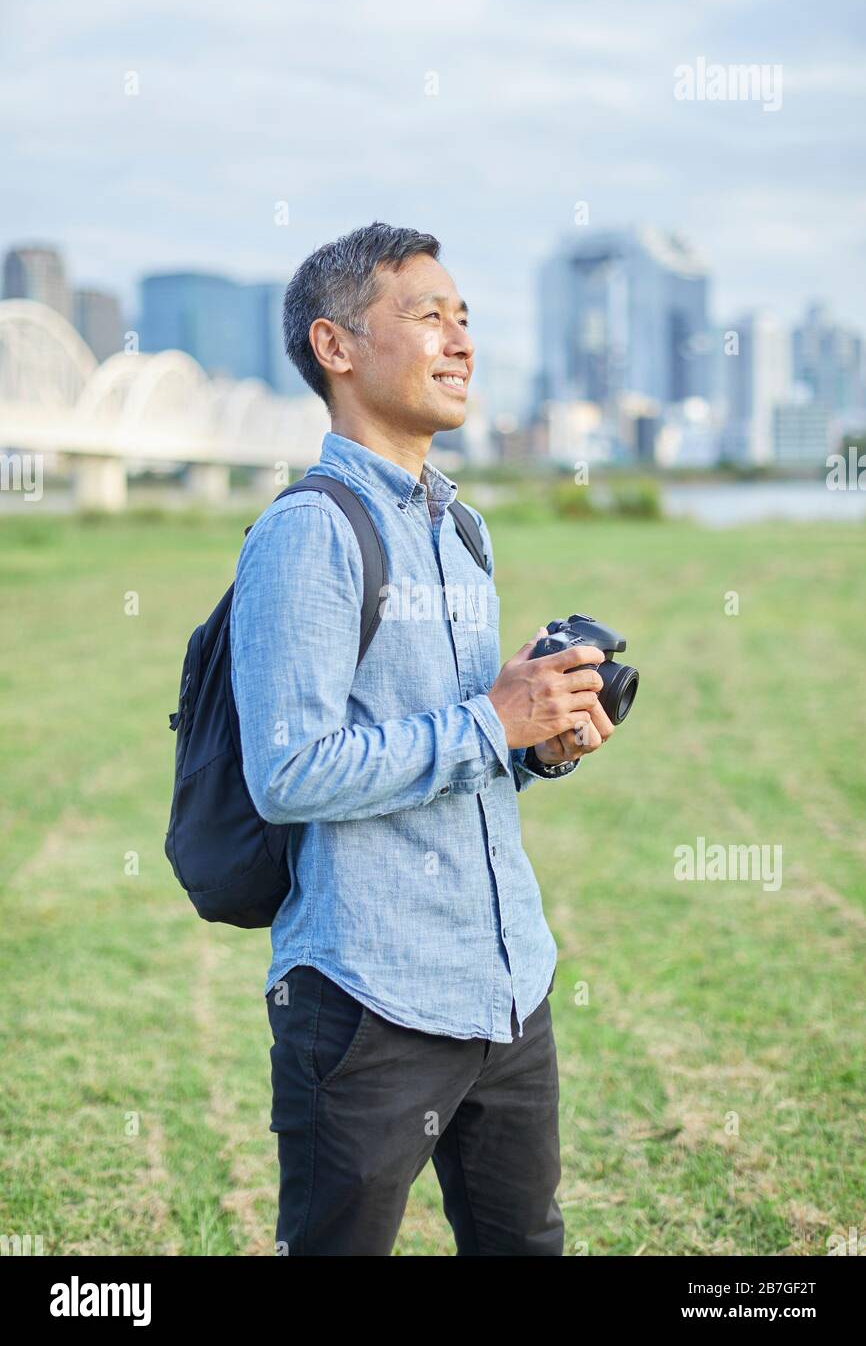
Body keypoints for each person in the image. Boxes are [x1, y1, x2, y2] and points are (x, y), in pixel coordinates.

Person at [230, 222, 614, 1256]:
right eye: (426, 315)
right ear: (336, 347)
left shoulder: (461, 526)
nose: (459, 340)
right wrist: (491, 719)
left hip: (504, 983)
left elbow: (457, 748)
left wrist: (536, 743)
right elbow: (289, 770)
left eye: (465, 318)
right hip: (368, 1002)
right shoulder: (307, 532)